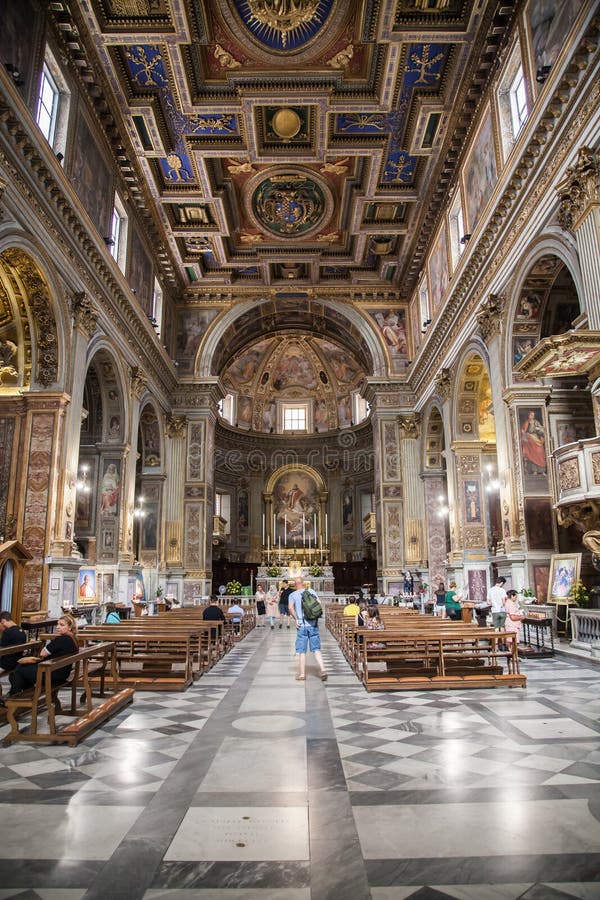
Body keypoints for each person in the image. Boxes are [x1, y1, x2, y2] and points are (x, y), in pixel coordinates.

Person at [8, 614, 79, 696]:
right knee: (24, 668)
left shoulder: (62, 639)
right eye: (58, 624)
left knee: (19, 670)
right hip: (61, 672)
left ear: (70, 627)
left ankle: (14, 697)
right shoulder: (73, 638)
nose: (57, 627)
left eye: (62, 625)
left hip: (52, 673)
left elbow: (43, 653)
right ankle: (22, 695)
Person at [288, 576, 327, 682]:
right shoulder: (311, 591)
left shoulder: (292, 595)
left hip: (301, 625)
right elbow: (318, 603)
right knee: (316, 649)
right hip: (313, 624)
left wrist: (296, 619)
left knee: (302, 651)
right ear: (303, 583)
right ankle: (323, 669)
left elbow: (290, 608)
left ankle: (302, 674)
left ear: (295, 584)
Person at [0, 611, 27, 677]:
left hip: (6, 664)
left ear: (3, 621)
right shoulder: (22, 630)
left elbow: (1, 648)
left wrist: (2, 630)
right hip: (17, 662)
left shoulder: (7, 632)